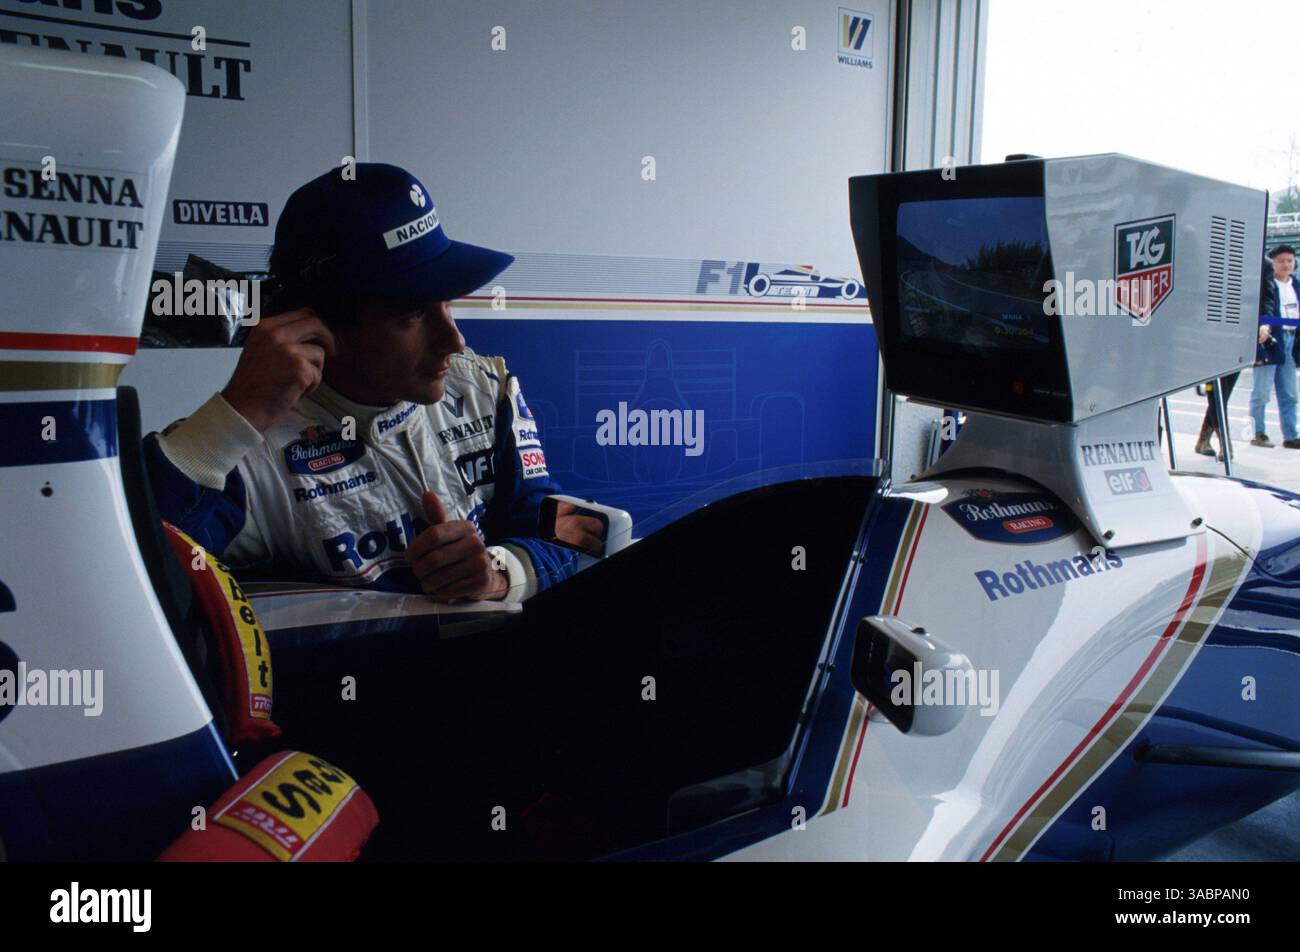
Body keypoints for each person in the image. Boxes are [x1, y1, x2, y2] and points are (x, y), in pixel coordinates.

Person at [143, 163, 582, 601]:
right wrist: (235, 414)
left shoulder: (483, 388)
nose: (454, 339)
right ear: (318, 326)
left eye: (446, 301)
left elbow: (565, 532)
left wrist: (497, 572)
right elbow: (142, 582)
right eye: (412, 314)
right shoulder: (246, 455)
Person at [1250, 245, 1300, 448]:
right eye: (1281, 261)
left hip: (1290, 339)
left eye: (1290, 260)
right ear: (1272, 264)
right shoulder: (1267, 285)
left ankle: (1291, 434)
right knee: (1261, 392)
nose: (1286, 264)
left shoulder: (1296, 284)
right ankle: (1258, 432)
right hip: (1270, 340)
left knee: (1289, 393)